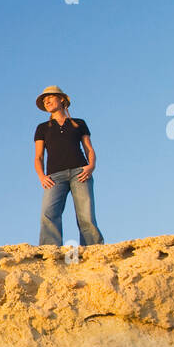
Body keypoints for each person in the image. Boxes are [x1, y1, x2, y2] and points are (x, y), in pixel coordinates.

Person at [33, 86, 104, 246]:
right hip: (54, 177)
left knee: (86, 215)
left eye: (50, 97)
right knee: (48, 213)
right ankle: (50, 251)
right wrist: (41, 176)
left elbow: (89, 149)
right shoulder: (42, 128)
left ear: (62, 99)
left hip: (80, 172)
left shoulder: (79, 123)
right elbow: (38, 156)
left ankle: (94, 250)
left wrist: (91, 166)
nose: (47, 101)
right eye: (44, 100)